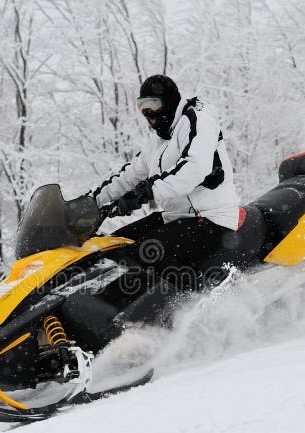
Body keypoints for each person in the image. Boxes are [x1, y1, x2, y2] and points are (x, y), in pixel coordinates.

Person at [92, 74, 242, 290]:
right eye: (142, 107)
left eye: (153, 104)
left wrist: (145, 192)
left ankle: (199, 303)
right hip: (176, 218)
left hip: (212, 219)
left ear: (170, 102)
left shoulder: (196, 120)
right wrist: (91, 201)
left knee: (146, 252)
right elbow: (128, 177)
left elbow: (193, 168)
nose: (148, 113)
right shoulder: (158, 142)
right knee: (113, 247)